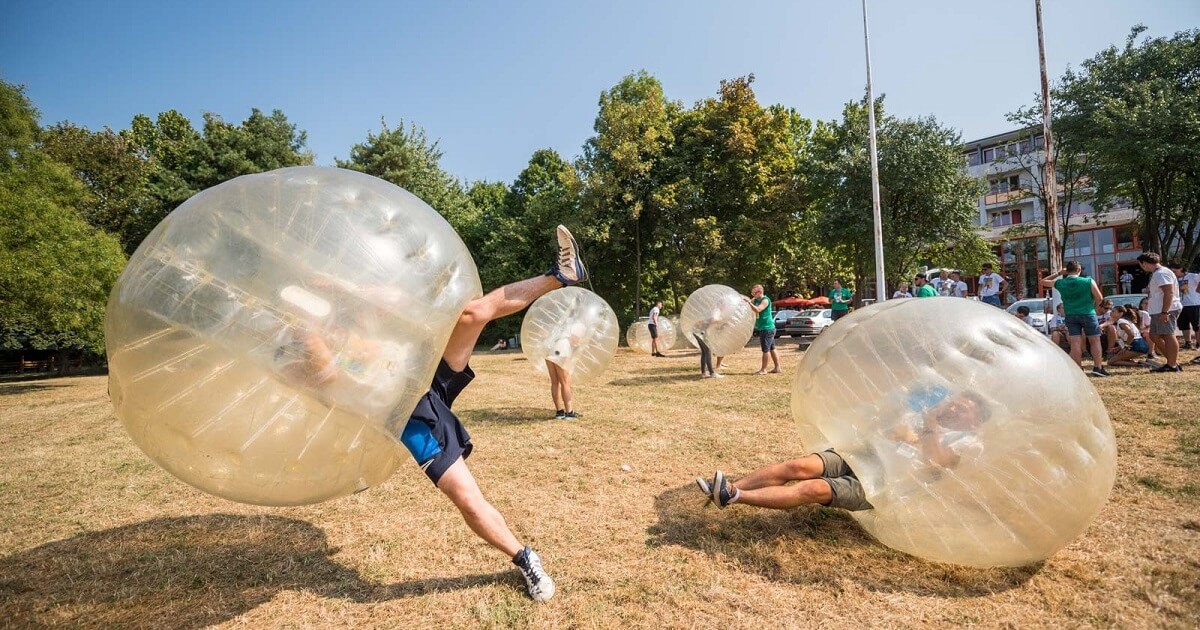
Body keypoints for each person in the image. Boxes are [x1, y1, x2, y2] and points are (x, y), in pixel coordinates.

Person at [289, 225, 579, 603]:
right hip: (407, 414)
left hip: (424, 373)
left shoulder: (349, 312)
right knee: (466, 497)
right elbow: (328, 378)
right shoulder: (306, 346)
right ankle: (525, 557)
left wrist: (339, 289)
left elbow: (396, 297)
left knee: (474, 313)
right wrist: (307, 333)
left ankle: (561, 276)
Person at [695, 388, 991, 512]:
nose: (952, 406)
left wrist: (928, 428)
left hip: (883, 484)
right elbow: (888, 431)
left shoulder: (970, 442)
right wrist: (898, 427)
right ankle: (722, 487)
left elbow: (935, 463)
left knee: (812, 489)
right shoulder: (928, 417)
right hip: (867, 454)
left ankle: (734, 496)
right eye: (954, 401)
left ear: (975, 420)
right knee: (798, 467)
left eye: (962, 408)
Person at [1041, 261, 1109, 377]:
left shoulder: (1060, 282)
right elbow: (1100, 298)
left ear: (1067, 271)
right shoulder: (1088, 281)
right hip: (1088, 313)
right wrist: (1094, 308)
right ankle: (1098, 367)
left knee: (1075, 342)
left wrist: (1058, 273)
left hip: (1071, 314)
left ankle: (1078, 369)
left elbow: (1043, 282)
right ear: (1079, 270)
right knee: (1095, 340)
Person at [1139, 252, 1183, 372]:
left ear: (1145, 263)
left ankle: (1172, 365)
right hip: (1158, 310)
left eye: (1141, 265)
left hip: (1166, 309)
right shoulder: (1157, 274)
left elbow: (1169, 292)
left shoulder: (1162, 273)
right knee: (1154, 335)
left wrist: (1165, 312)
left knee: (1168, 335)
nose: (1142, 267)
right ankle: (1172, 361)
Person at [744, 285, 780, 375]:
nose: (752, 295)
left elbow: (758, 309)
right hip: (765, 328)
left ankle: (764, 369)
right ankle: (777, 368)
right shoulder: (756, 300)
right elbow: (748, 302)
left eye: (754, 293)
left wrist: (749, 303)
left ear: (759, 292)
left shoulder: (765, 300)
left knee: (765, 350)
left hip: (767, 328)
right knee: (772, 348)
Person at [1170, 262, 1200, 351]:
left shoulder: (1192, 276)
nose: (1174, 273)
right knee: (1183, 325)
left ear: (1181, 268)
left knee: (1196, 325)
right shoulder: (1174, 279)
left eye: (1175, 271)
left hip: (1194, 304)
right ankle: (1188, 342)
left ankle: (1198, 343)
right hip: (1181, 305)